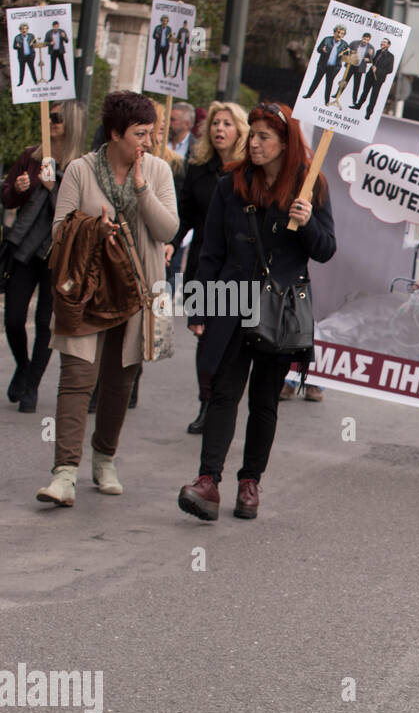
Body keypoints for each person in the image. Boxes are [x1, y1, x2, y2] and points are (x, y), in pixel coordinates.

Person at [178, 102, 335, 521]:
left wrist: (308, 223)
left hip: (280, 305)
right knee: (223, 393)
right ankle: (207, 481)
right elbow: (211, 249)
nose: (255, 143)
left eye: (265, 137)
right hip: (231, 299)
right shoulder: (232, 184)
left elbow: (325, 250)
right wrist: (199, 306)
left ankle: (250, 484)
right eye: (254, 135)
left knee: (265, 399)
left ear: (285, 144)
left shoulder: (311, 185)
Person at [36, 91, 178, 508]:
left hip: (137, 292)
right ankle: (64, 473)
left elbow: (168, 230)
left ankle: (104, 458)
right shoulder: (80, 170)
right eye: (139, 134)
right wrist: (92, 228)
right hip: (86, 290)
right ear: (115, 133)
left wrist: (142, 192)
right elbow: (60, 229)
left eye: (151, 133)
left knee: (119, 383)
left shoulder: (157, 171)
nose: (147, 142)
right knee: (77, 380)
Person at [171, 101, 250, 434]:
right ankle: (206, 403)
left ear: (240, 131)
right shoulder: (198, 168)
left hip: (238, 269)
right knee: (204, 338)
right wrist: (169, 243)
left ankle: (222, 403)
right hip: (203, 266)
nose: (219, 129)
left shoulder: (249, 171)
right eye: (215, 123)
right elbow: (184, 215)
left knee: (230, 341)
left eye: (227, 124)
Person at [4, 101, 86, 413]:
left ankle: (32, 386)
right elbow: (8, 196)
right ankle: (22, 367)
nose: (49, 121)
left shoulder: (82, 166)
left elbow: (78, 216)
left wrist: (54, 189)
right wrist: (20, 188)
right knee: (13, 317)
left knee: (44, 322)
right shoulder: (32, 155)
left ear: (72, 124)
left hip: (59, 254)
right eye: (49, 116)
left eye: (56, 118)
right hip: (25, 248)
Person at [302, 25, 349, 104]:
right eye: (338, 32)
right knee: (316, 81)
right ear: (334, 32)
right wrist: (323, 50)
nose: (339, 35)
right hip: (323, 65)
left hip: (334, 67)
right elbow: (318, 49)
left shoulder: (345, 44)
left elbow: (347, 56)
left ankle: (327, 101)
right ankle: (308, 95)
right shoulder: (326, 39)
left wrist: (343, 55)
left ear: (344, 35)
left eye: (342, 33)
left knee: (329, 83)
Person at [355, 37, 394, 121]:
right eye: (382, 42)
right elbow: (374, 61)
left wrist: (378, 70)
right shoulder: (378, 52)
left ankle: (368, 113)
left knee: (374, 96)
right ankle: (358, 105)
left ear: (388, 45)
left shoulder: (390, 56)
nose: (382, 43)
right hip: (370, 75)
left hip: (378, 78)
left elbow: (389, 70)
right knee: (365, 91)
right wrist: (368, 60)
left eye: (384, 42)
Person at [343, 32, 375, 109]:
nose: (365, 41)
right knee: (344, 81)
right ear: (362, 37)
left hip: (360, 68)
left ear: (369, 40)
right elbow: (346, 50)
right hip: (351, 65)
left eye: (367, 40)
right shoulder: (354, 43)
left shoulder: (371, 48)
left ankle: (354, 100)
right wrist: (348, 56)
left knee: (357, 85)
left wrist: (368, 59)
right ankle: (337, 94)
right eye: (364, 39)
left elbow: (372, 60)